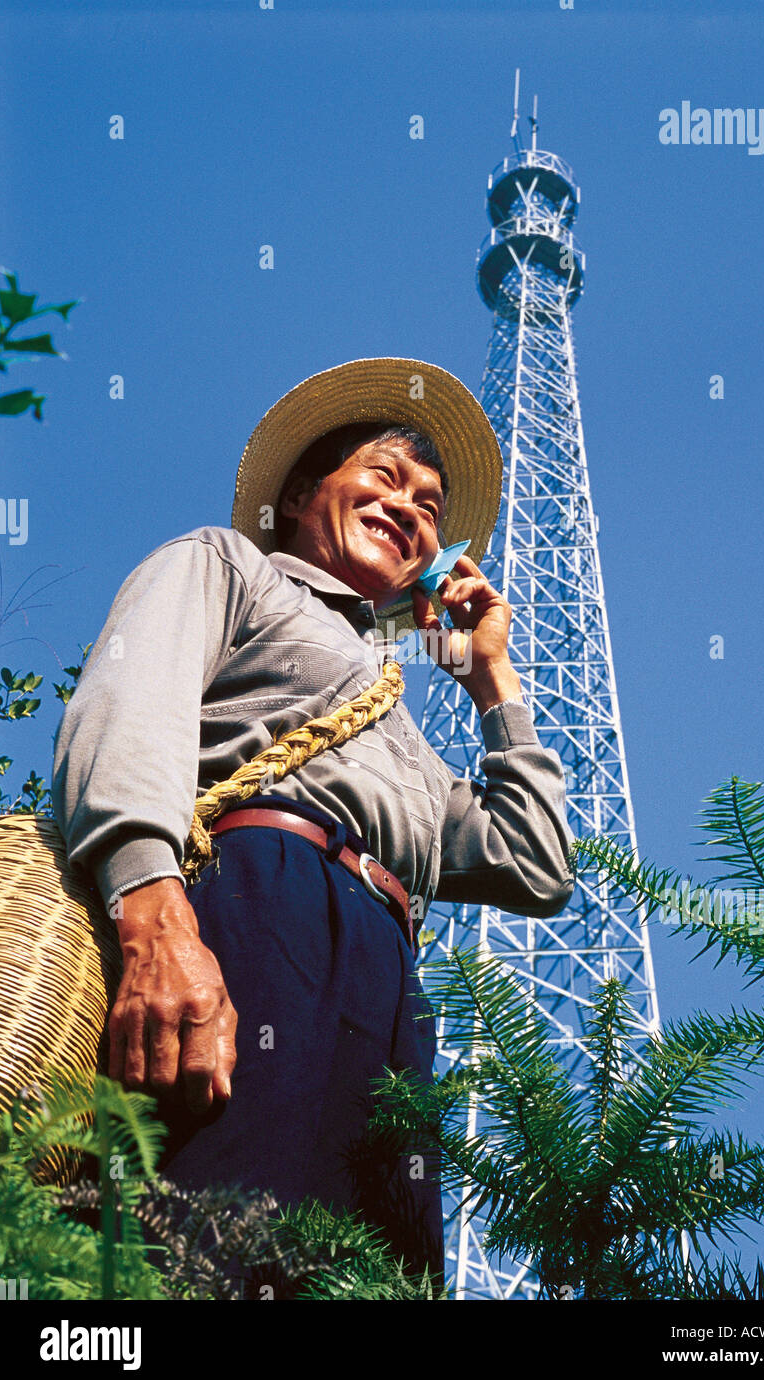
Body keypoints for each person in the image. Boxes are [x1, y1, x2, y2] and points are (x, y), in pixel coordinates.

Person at [51, 357, 576, 1288]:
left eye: (427, 505)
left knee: (371, 1266)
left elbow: (532, 866)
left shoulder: (408, 738)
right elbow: (128, 707)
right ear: (300, 494)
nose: (409, 508)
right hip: (253, 910)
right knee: (207, 1234)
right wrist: (154, 921)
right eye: (382, 476)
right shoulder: (227, 566)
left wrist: (491, 675)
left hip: (387, 982)